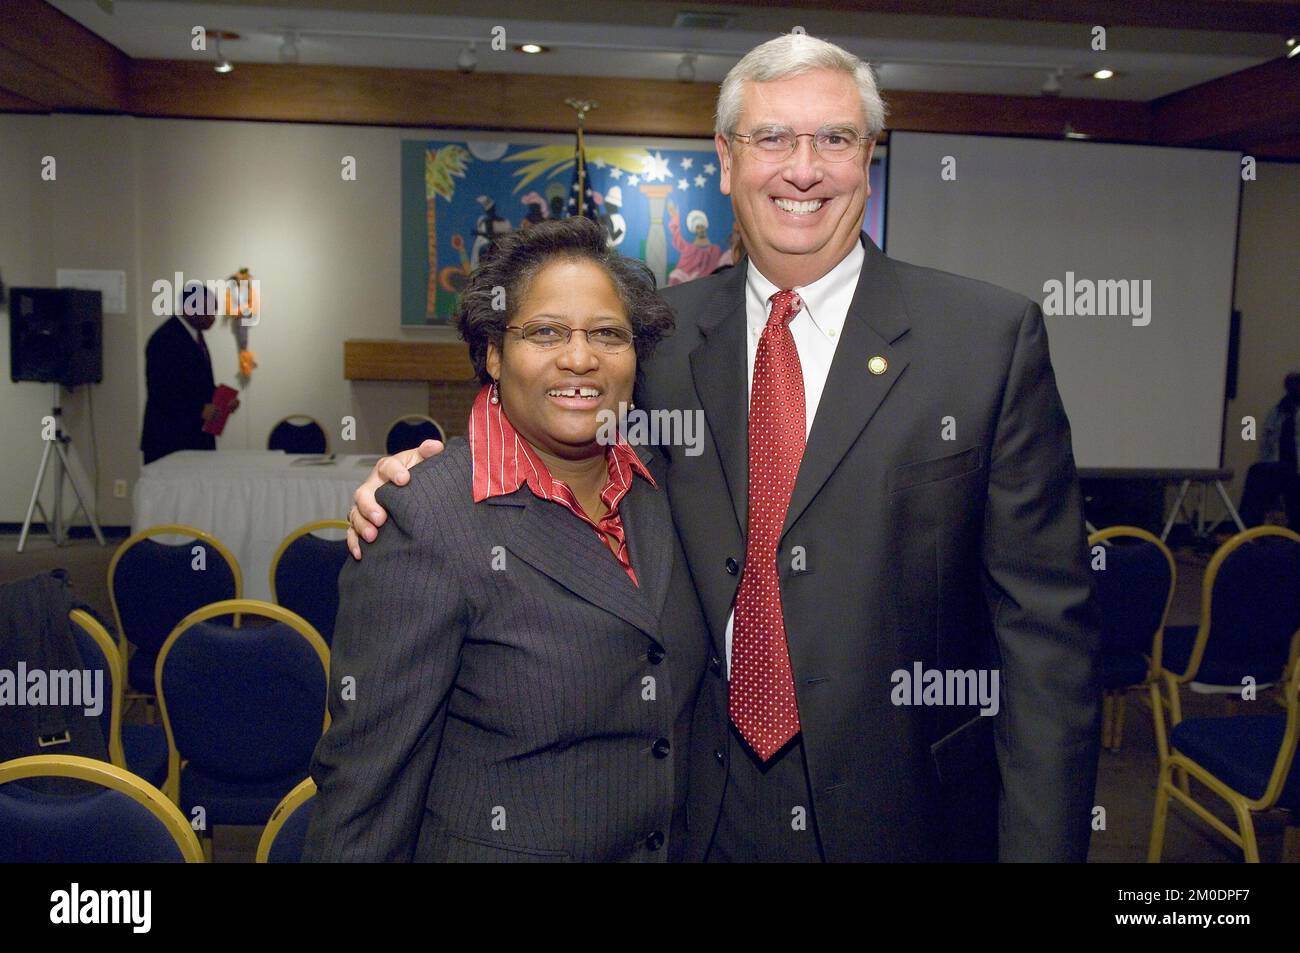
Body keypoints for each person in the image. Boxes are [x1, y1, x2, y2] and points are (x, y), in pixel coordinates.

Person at [349, 32, 1100, 862]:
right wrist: (423, 477)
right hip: (697, 811)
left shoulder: (986, 340)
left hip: (909, 817)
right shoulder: (658, 341)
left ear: (870, 156)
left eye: (835, 139)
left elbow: (1046, 647)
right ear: (726, 157)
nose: (802, 168)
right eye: (772, 137)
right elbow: (554, 431)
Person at [302, 216, 718, 862]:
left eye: (608, 334)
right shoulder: (425, 519)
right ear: (493, 352)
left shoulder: (667, 487)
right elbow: (364, 799)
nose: (580, 358)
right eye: (545, 332)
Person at [140, 281, 239, 465]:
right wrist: (199, 410)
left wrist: (222, 400)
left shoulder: (196, 337)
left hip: (195, 438)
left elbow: (195, 384)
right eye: (208, 311)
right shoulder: (165, 339)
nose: (213, 318)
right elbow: (161, 391)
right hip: (170, 441)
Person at [1239, 372, 1300, 531]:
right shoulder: (1277, 412)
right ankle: (1247, 531)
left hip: (1296, 470)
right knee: (1257, 471)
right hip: (1281, 467)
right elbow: (1266, 446)